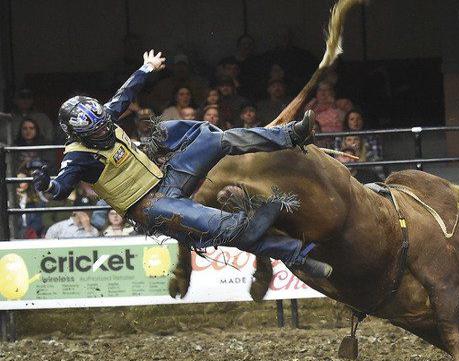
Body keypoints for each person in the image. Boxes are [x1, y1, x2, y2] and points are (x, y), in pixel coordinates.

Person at [31, 50, 332, 278]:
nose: (105, 130)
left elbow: (126, 93)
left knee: (215, 139)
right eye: (96, 130)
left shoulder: (104, 119)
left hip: (165, 179)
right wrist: (46, 184)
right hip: (148, 207)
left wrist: (147, 67)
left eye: (103, 124)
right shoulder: (77, 156)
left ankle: (291, 134)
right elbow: (59, 189)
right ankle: (294, 253)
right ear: (79, 135)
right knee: (221, 226)